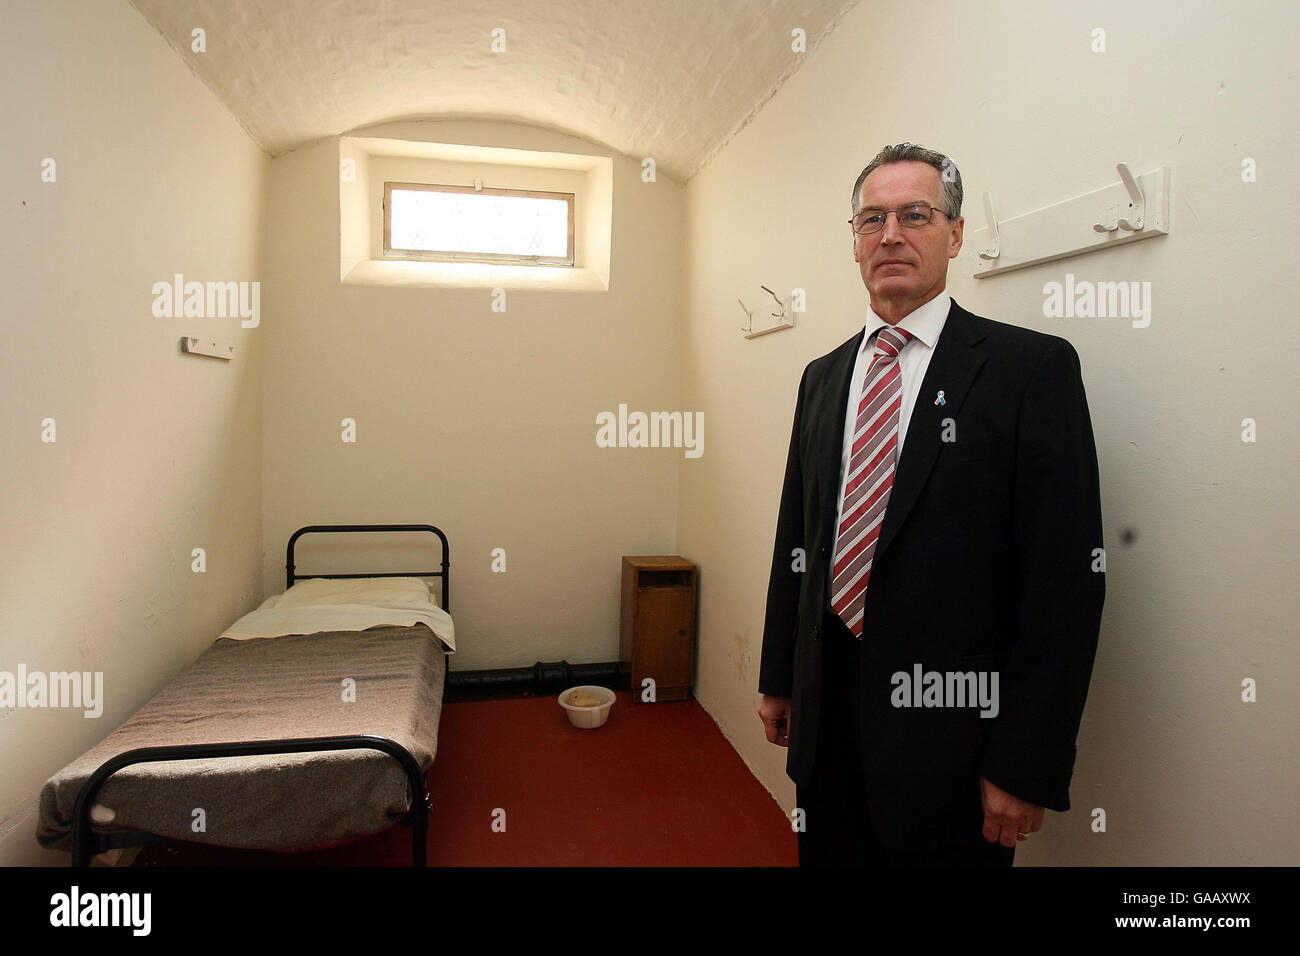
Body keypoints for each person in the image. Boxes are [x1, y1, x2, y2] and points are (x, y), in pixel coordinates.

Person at [757, 143, 1105, 866]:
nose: (890, 235)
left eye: (915, 215)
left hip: (952, 744)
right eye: (871, 219)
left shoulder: (1030, 371)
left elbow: (1064, 586)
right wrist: (780, 676)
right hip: (827, 729)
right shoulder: (822, 377)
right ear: (854, 241)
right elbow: (800, 536)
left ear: (955, 233)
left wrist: (1024, 761)